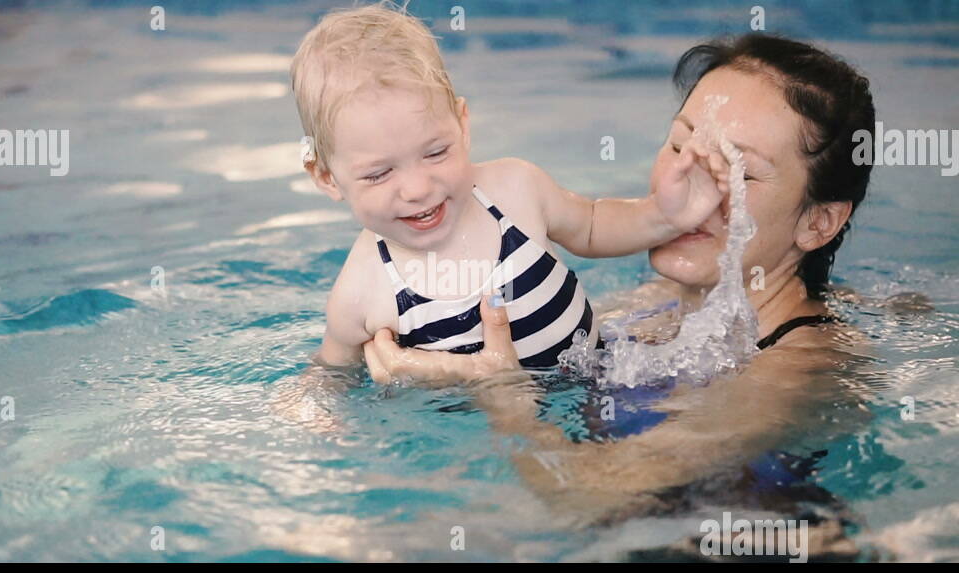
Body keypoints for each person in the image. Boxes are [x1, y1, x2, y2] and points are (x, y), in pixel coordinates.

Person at [362, 33, 878, 526]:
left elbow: (585, 494)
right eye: (681, 148)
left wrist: (500, 391)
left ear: (819, 221)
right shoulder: (648, 307)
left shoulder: (794, 367)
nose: (695, 185)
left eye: (737, 172)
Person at [289, 2, 729, 372]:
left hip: (599, 384)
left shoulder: (514, 188)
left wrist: (664, 214)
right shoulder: (362, 289)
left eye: (436, 152)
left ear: (462, 126)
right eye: (379, 174)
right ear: (327, 177)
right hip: (492, 437)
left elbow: (593, 227)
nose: (418, 188)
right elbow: (332, 374)